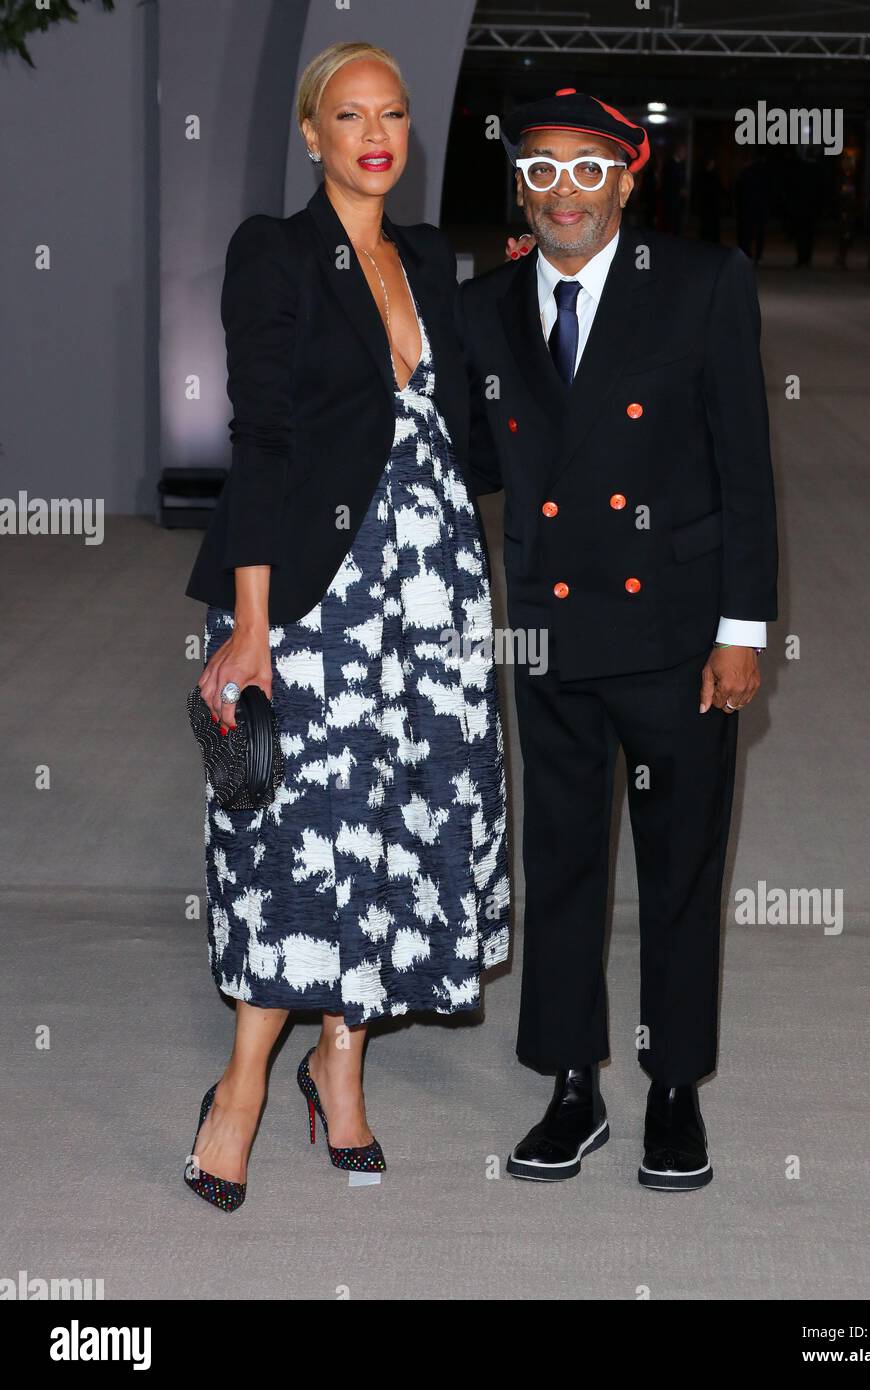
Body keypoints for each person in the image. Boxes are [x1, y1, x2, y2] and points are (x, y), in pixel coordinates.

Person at [182, 41, 510, 1211]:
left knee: (397, 822)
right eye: (348, 113)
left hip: (433, 600)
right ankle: (241, 1090)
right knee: (296, 837)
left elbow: (473, 423)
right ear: (313, 135)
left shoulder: (428, 258)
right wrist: (255, 624)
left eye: (395, 113)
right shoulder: (272, 252)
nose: (376, 132)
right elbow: (259, 437)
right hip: (317, 596)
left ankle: (343, 1061)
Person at [455, 89, 778, 1190]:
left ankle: (674, 1090)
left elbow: (745, 470)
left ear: (626, 181)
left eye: (585, 170)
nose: (561, 194)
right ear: (523, 189)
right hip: (547, 637)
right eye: (540, 171)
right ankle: (572, 1086)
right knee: (563, 863)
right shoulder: (489, 304)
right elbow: (474, 462)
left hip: (676, 639)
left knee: (679, 871)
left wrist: (742, 630)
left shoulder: (699, 285)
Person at [736, 152, 769, 264]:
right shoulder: (764, 172)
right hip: (761, 206)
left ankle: (746, 252)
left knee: (747, 231)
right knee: (760, 232)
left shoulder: (746, 172)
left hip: (748, 206)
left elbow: (740, 190)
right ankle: (758, 255)